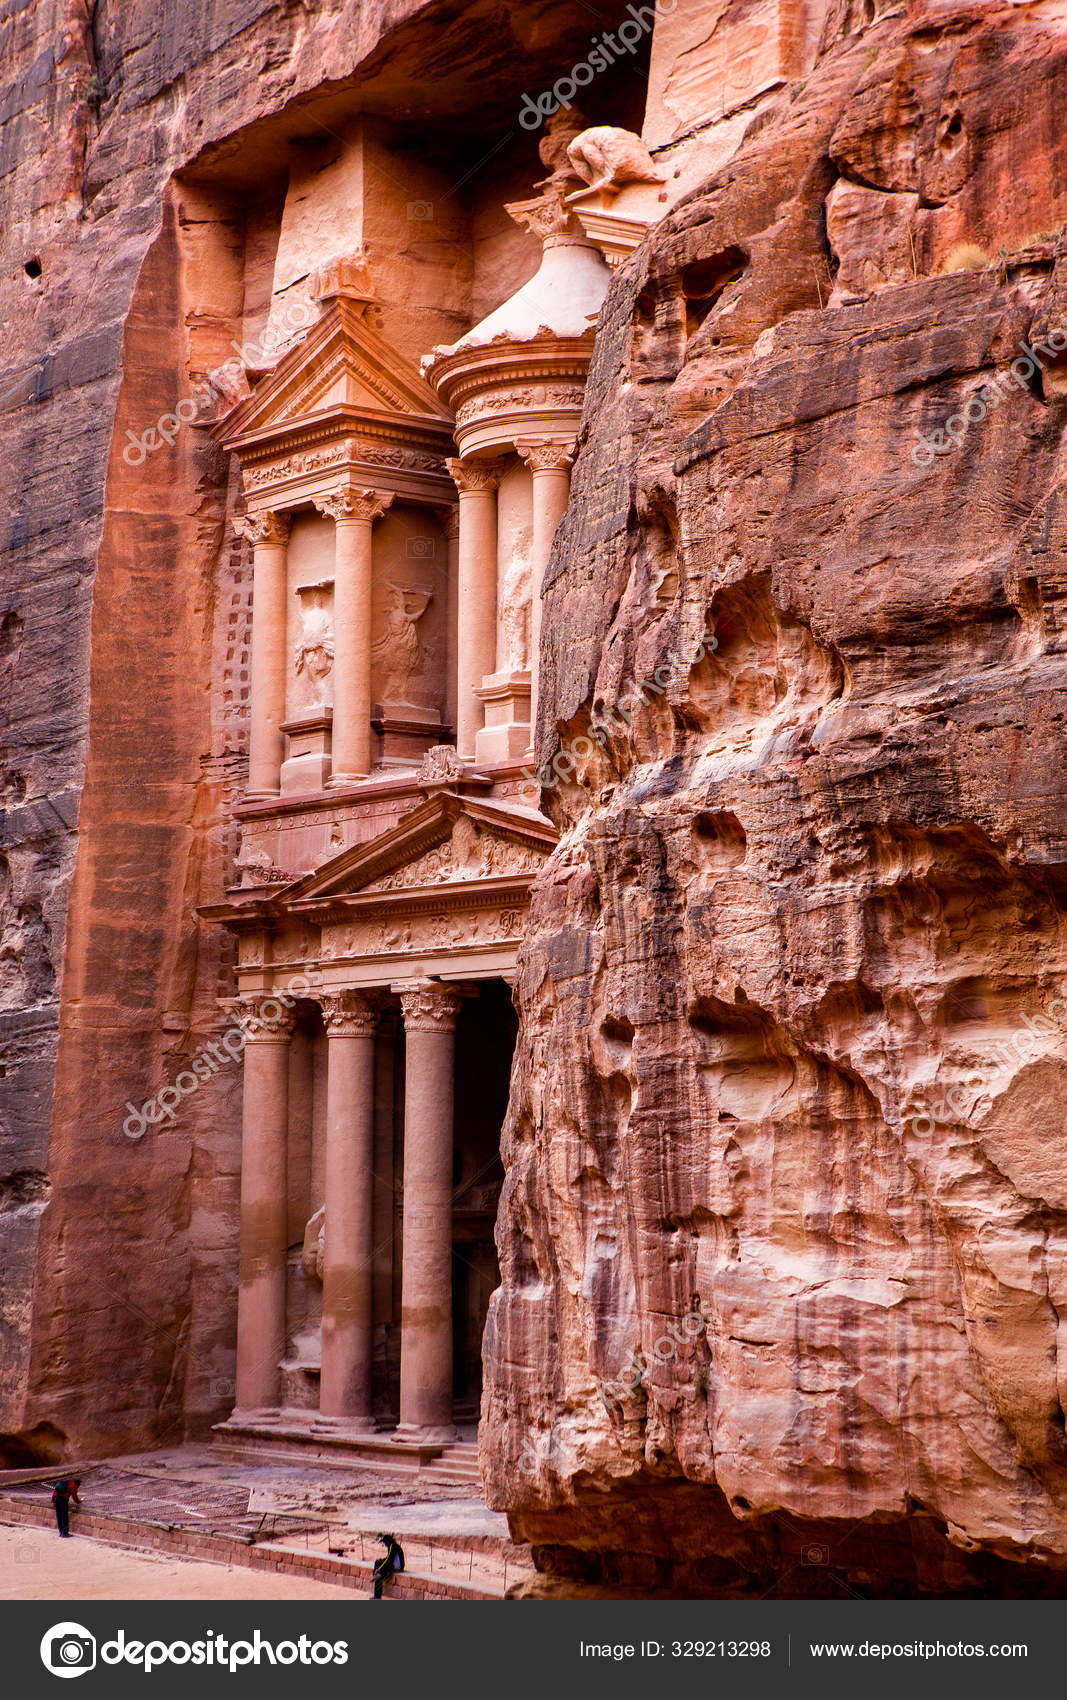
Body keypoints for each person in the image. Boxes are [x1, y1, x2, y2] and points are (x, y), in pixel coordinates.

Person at [371, 1532, 404, 1600]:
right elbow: (389, 1558)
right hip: (394, 1564)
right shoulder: (392, 1545)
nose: (385, 1544)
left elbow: (389, 1559)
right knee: (377, 1562)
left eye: (385, 1542)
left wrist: (380, 1568)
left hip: (397, 1567)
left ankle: (377, 1596)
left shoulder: (392, 1546)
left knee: (379, 1573)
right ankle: (376, 1575)